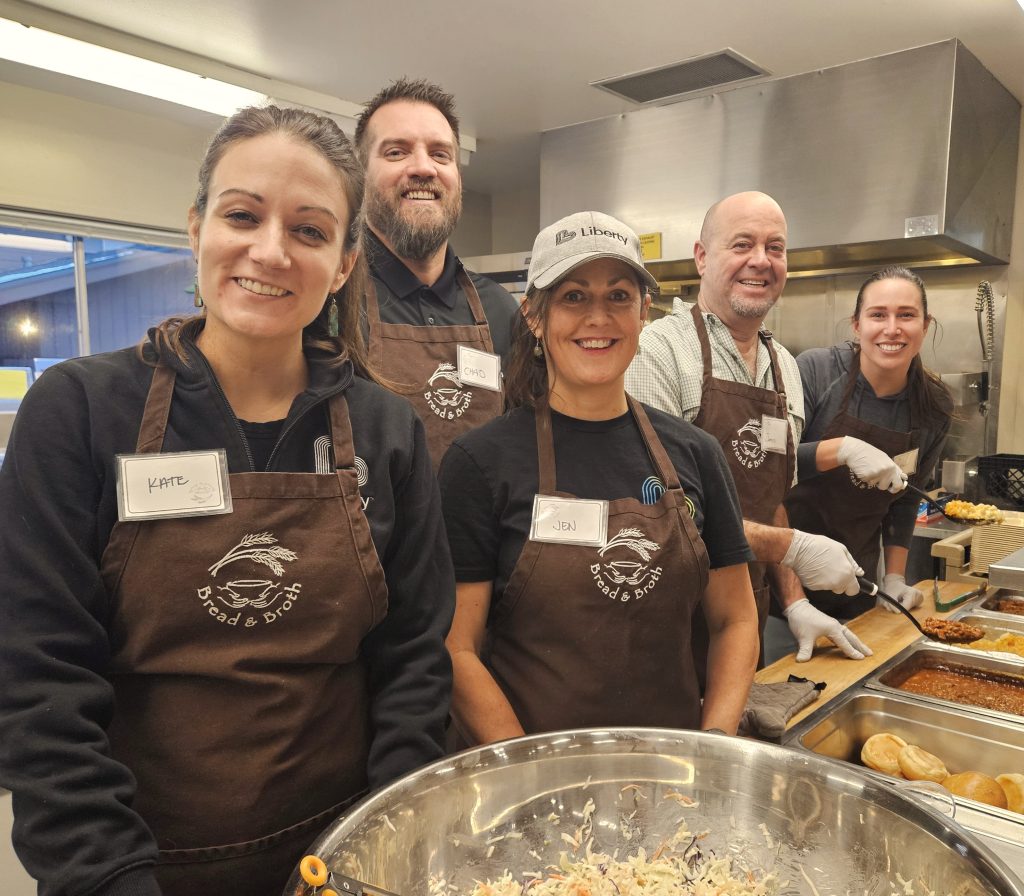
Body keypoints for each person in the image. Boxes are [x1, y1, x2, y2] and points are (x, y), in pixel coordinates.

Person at [0, 106, 454, 896]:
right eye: (242, 215)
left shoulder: (386, 431)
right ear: (196, 227)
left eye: (310, 232)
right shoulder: (79, 411)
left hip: (339, 856)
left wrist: (381, 852)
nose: (269, 251)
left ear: (345, 263)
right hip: (133, 863)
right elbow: (39, 683)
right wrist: (107, 877)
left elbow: (411, 661)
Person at [439, 211, 759, 746]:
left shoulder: (696, 454)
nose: (598, 317)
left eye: (618, 296)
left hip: (670, 770)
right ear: (535, 318)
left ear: (643, 313)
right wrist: (530, 772)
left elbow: (736, 621)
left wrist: (712, 747)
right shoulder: (480, 463)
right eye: (573, 297)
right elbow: (456, 647)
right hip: (532, 779)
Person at [626, 191, 895, 664]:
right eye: (742, 244)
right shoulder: (658, 353)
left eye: (775, 248)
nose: (761, 261)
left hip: (747, 617)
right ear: (702, 257)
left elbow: (771, 500)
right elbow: (669, 516)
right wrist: (795, 547)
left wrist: (794, 601)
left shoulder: (785, 367)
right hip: (668, 617)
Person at [353, 78, 520, 469]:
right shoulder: (328, 302)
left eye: (440, 155)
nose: (423, 168)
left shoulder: (499, 309)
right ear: (360, 178)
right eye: (396, 152)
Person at [782, 265, 953, 623]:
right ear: (857, 325)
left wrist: (894, 577)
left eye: (906, 315)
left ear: (925, 325)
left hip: (854, 585)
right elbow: (772, 469)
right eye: (878, 315)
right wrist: (842, 450)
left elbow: (906, 499)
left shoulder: (934, 406)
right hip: (783, 580)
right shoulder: (816, 371)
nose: (892, 329)